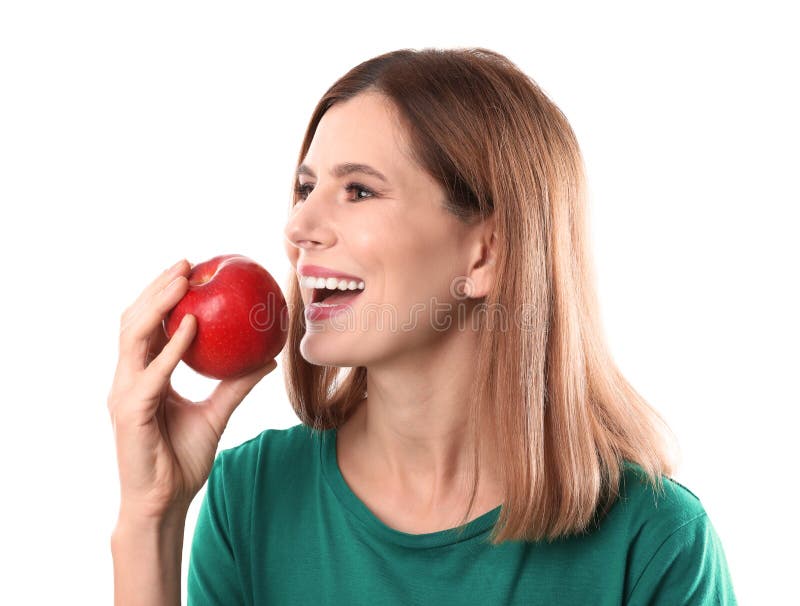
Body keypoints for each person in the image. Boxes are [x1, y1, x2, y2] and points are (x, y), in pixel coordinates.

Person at [108, 47, 737, 605]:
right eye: (304, 188)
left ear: (486, 254)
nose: (297, 229)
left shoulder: (654, 541)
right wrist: (151, 517)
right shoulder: (250, 496)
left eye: (357, 191)